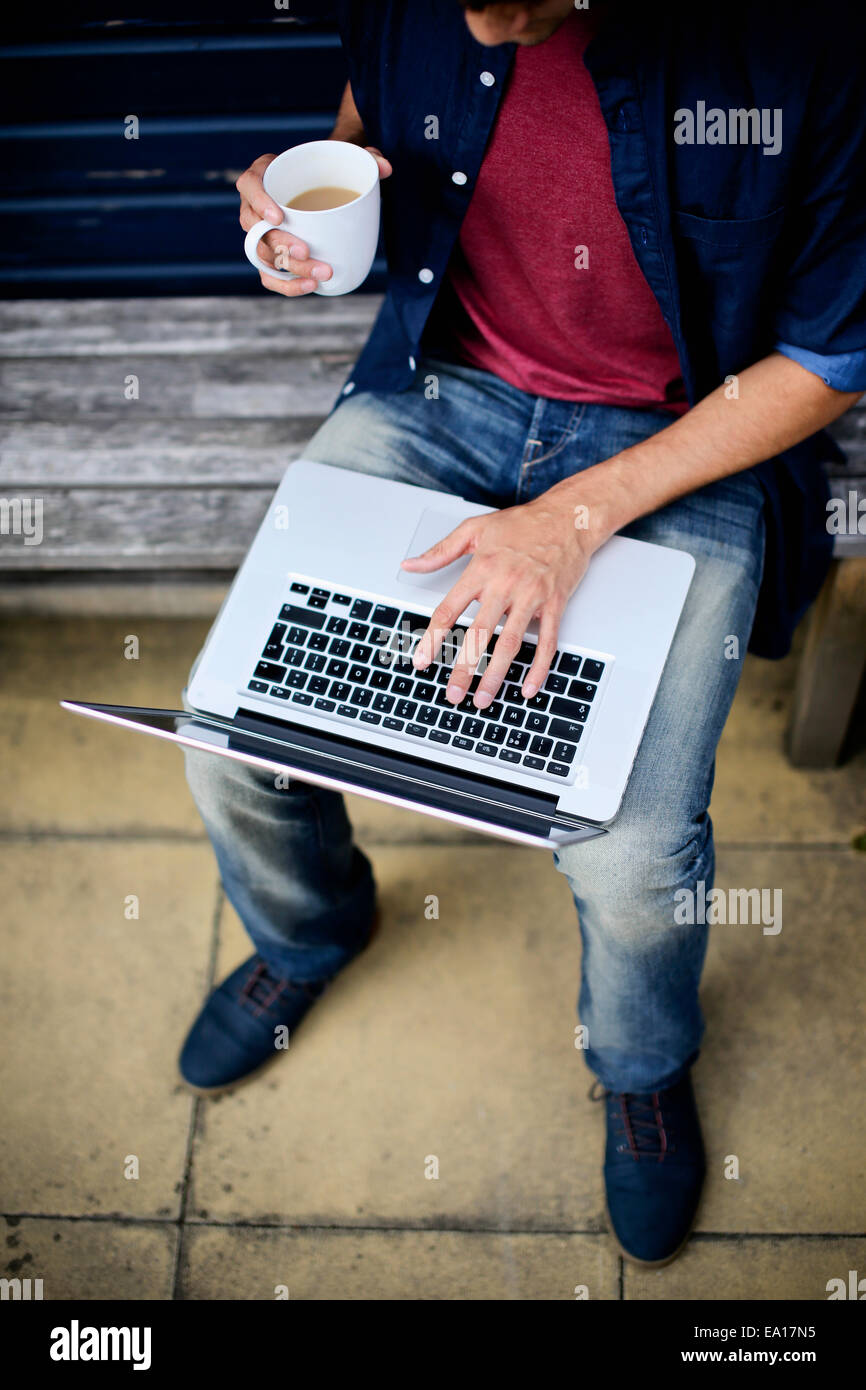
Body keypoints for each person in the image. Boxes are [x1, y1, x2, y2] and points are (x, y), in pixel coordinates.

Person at [178, 0, 865, 1266]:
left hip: (677, 442)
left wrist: (574, 518)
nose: (484, 23)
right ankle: (312, 930)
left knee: (630, 847)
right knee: (229, 732)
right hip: (441, 388)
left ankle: (640, 1063)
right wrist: (295, 201)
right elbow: (363, 118)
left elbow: (830, 357)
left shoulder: (803, 45)